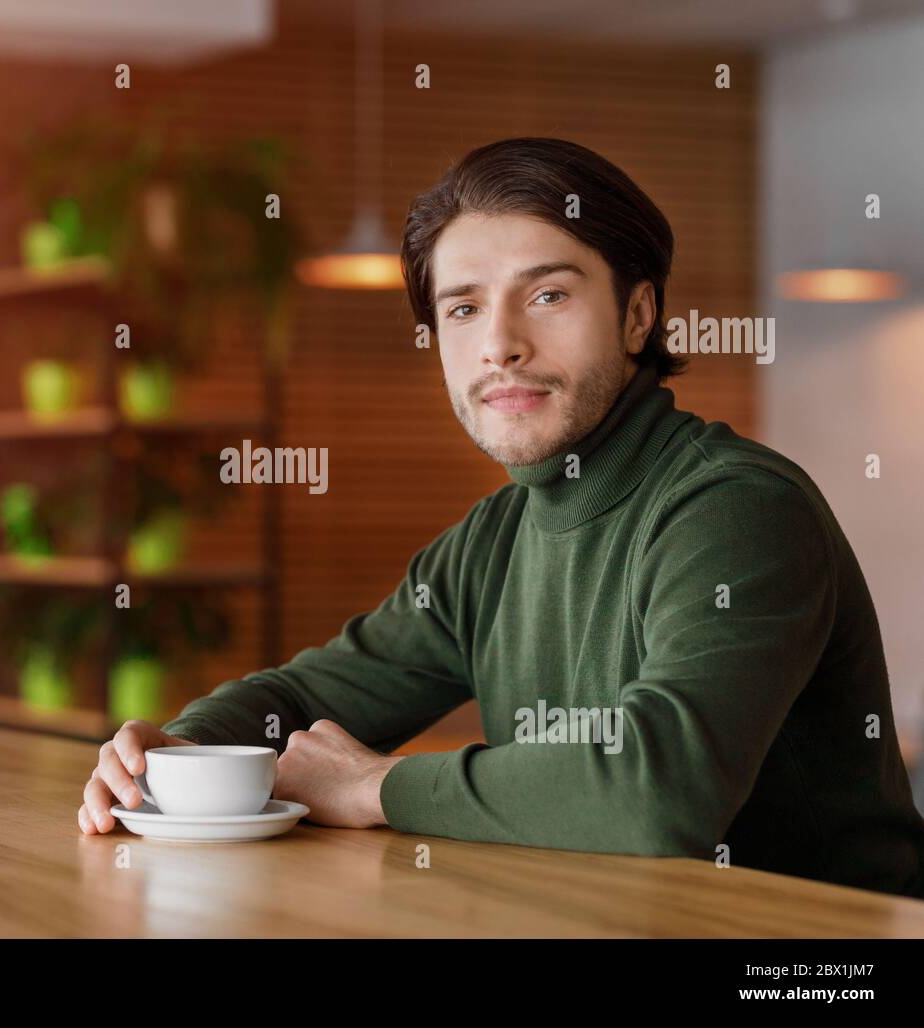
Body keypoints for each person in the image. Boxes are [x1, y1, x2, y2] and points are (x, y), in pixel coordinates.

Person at [78, 137, 924, 899]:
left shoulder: (736, 509)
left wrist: (374, 788)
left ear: (637, 314)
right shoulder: (491, 542)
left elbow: (660, 792)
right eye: (463, 308)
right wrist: (174, 751)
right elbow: (303, 698)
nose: (499, 345)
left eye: (547, 295)